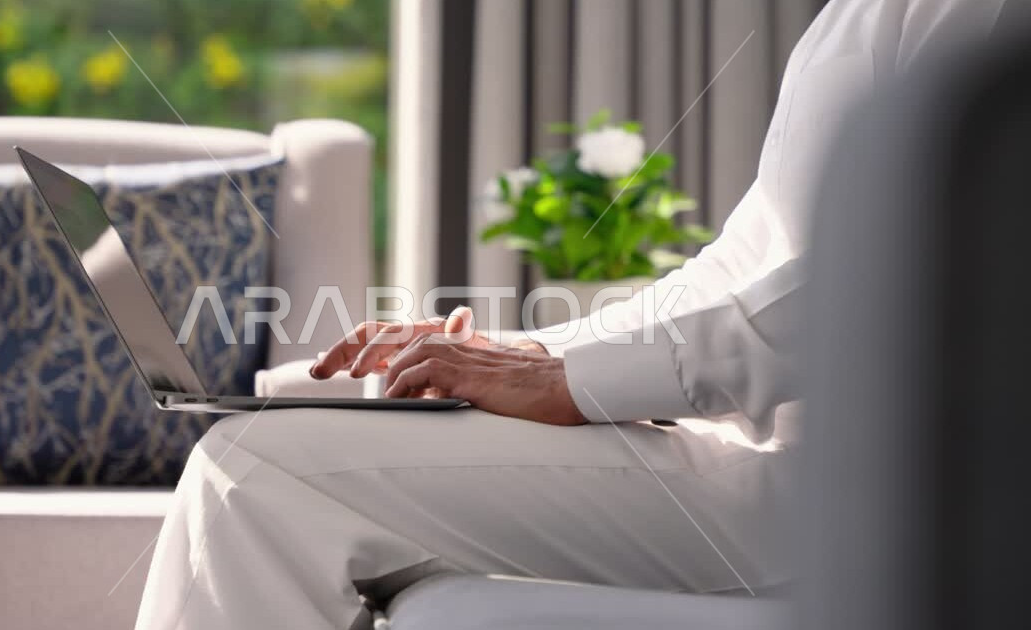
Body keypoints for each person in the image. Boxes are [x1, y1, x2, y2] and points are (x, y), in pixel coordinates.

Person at [135, 1, 1010, 628]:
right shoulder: (849, 20)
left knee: (253, 472)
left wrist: (569, 381)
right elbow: (739, 267)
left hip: (851, 497)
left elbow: (893, 278)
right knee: (276, 431)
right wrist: (523, 353)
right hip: (760, 459)